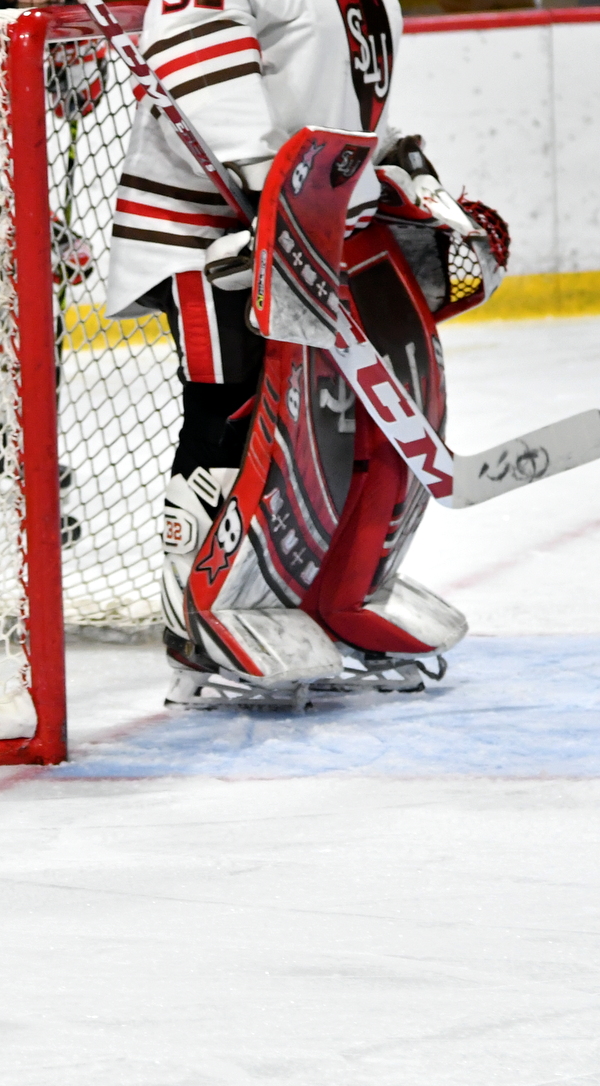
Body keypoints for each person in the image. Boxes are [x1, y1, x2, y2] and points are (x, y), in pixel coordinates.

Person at [105, 0, 492, 703]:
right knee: (236, 411)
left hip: (310, 221)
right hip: (209, 232)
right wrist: (264, 175)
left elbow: (330, 99)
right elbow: (193, 40)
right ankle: (200, 628)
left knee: (322, 425)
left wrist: (399, 172)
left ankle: (318, 601)